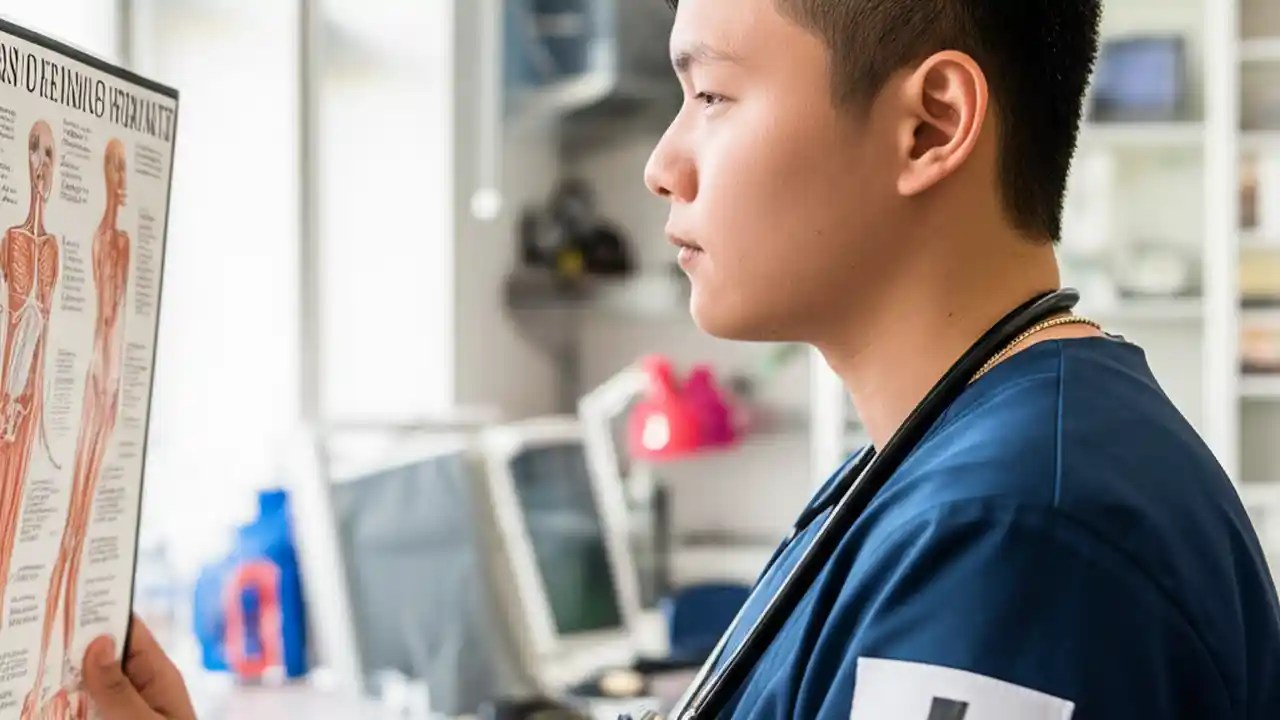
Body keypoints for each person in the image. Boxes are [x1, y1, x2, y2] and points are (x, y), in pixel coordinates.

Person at [83, 0, 1280, 718]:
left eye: (710, 94)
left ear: (929, 127)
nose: (663, 163)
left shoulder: (1018, 538)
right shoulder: (944, 462)